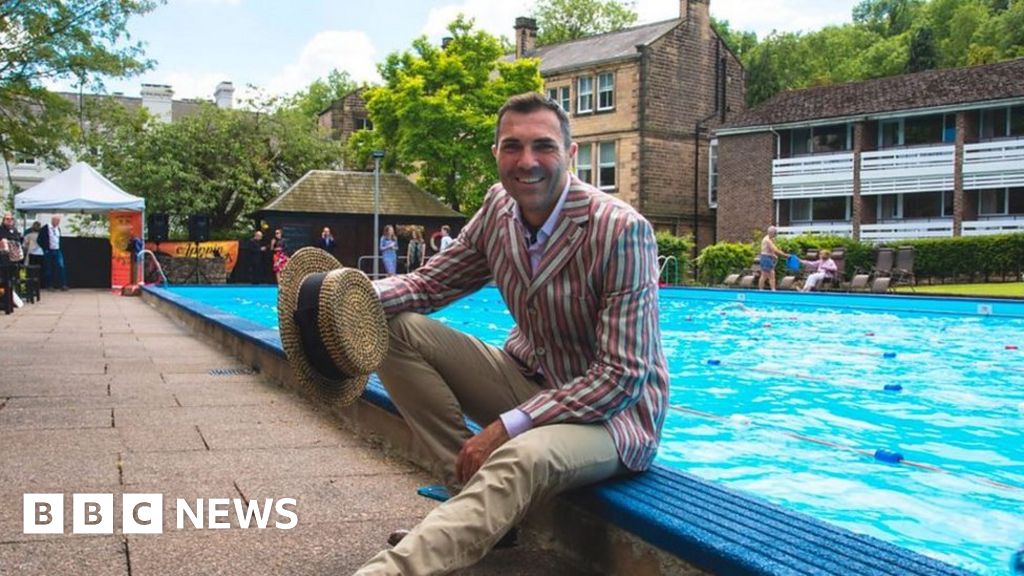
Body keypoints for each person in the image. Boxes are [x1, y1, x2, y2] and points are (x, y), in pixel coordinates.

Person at [356, 92, 668, 575]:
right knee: (392, 329)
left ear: (571, 153)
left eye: (543, 146)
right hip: (528, 376)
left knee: (520, 452)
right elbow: (431, 283)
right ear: (496, 154)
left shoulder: (621, 230)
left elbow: (622, 377)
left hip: (612, 417)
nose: (527, 162)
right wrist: (348, 297)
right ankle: (472, 507)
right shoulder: (498, 207)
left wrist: (505, 426)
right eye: (512, 147)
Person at [37, 214, 67, 291]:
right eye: (57, 221)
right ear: (53, 220)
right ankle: (49, 285)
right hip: (48, 250)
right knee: (48, 268)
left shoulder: (58, 228)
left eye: (59, 221)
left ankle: (62, 284)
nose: (58, 222)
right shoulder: (45, 228)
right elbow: (39, 240)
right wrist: (45, 248)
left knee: (61, 266)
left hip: (57, 250)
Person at [757, 225, 787, 291]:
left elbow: (768, 250)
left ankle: (761, 290)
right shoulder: (767, 240)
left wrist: (773, 255)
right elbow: (775, 249)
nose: (775, 235)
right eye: (775, 233)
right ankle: (773, 290)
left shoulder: (769, 239)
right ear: (771, 233)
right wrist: (786, 255)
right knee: (771, 275)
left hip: (765, 258)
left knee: (764, 275)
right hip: (766, 258)